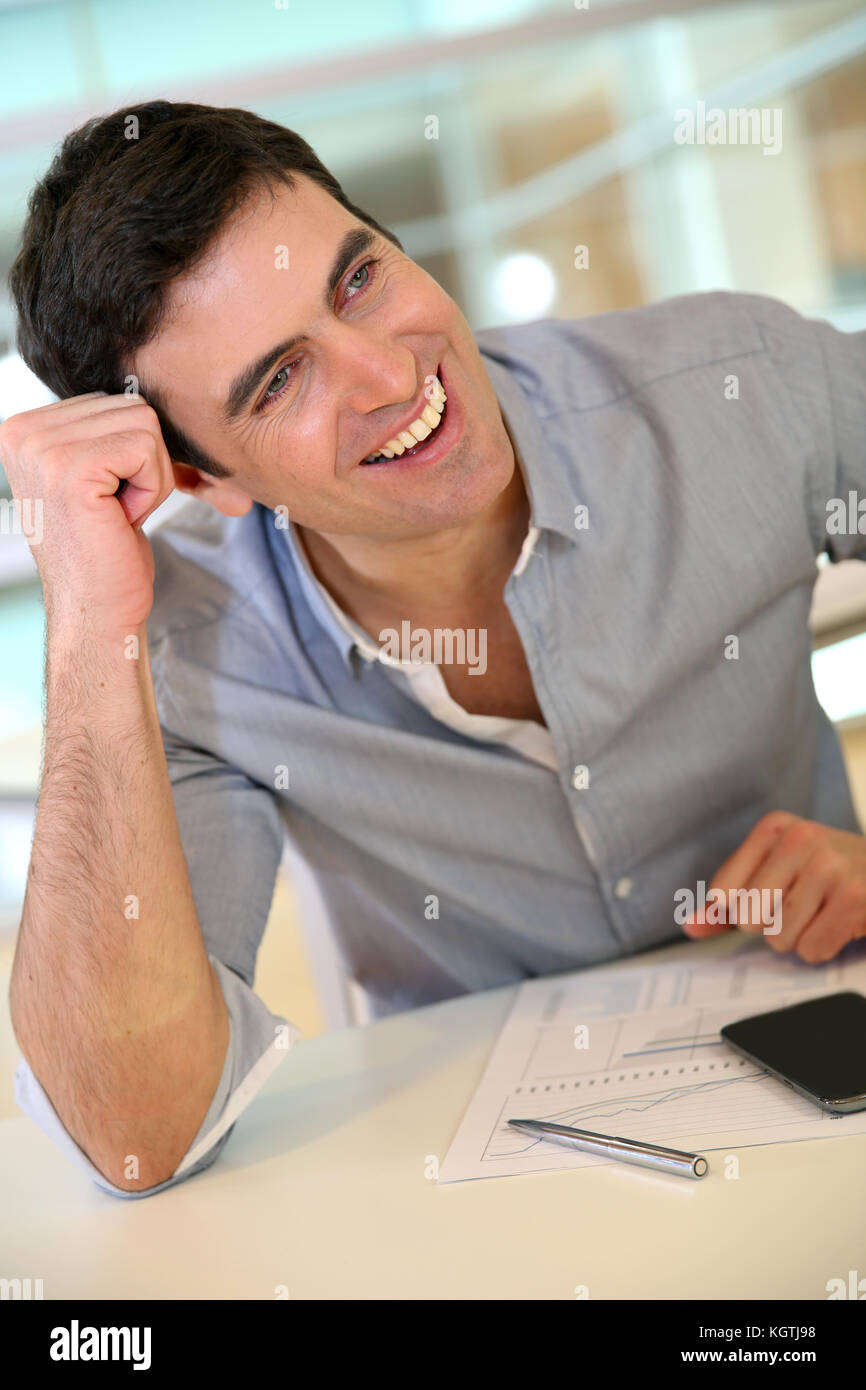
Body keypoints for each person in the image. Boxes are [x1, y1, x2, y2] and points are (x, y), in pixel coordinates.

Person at [2, 101, 864, 1201]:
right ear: (204, 481)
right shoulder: (189, 656)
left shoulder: (739, 388)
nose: (386, 376)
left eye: (356, 279)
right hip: (487, 1203)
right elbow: (139, 1133)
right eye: (280, 381)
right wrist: (83, 622)